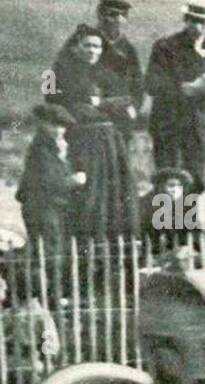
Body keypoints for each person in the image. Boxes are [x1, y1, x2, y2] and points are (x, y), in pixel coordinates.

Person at [49, 26, 139, 237]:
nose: (92, 51)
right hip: (80, 138)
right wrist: (95, 106)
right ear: (76, 46)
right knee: (87, 188)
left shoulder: (107, 73)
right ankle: (85, 238)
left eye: (97, 47)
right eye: (87, 45)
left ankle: (112, 237)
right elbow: (54, 102)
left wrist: (101, 103)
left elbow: (127, 100)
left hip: (108, 140)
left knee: (114, 190)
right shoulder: (58, 72)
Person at [145, 1, 205, 194]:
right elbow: (152, 84)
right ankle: (165, 214)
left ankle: (189, 213)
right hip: (168, 124)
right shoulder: (165, 46)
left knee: (195, 177)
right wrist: (184, 89)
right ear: (185, 21)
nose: (198, 26)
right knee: (169, 178)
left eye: (203, 22)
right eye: (193, 21)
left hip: (197, 124)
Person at [58, 1, 143, 125]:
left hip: (119, 114)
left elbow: (138, 83)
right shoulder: (81, 40)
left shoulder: (127, 49)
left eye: (124, 15)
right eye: (113, 14)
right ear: (100, 15)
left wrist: (134, 108)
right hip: (86, 111)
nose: (118, 19)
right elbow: (60, 71)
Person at [16, 105, 85, 256]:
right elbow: (47, 182)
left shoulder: (54, 145)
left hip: (51, 206)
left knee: (53, 249)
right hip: (42, 208)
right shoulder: (41, 149)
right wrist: (73, 180)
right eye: (54, 126)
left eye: (62, 127)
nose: (59, 131)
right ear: (43, 124)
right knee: (50, 251)